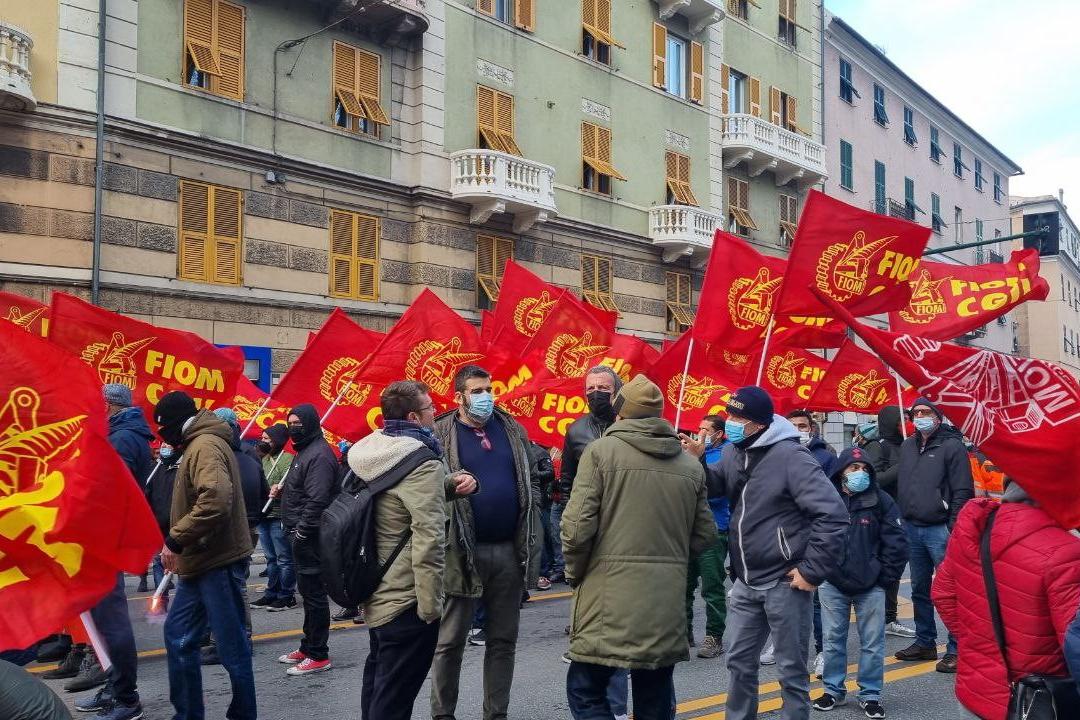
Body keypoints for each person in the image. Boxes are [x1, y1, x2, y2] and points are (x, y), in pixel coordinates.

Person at [687, 386, 848, 720]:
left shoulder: (792, 457)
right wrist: (698, 460)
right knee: (739, 663)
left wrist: (812, 571)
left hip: (784, 580)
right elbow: (716, 486)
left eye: (737, 417)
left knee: (791, 669)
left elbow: (833, 515)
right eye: (729, 414)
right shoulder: (734, 451)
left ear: (759, 424)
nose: (730, 422)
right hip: (746, 579)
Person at [562, 375, 716, 719]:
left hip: (606, 595)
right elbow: (705, 534)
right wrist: (672, 557)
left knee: (585, 688)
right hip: (664, 598)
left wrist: (576, 572)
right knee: (654, 694)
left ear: (620, 413)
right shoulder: (689, 465)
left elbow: (576, 528)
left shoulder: (600, 452)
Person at [350, 381, 477, 720]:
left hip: (376, 586)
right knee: (394, 699)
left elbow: (394, 502)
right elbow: (428, 539)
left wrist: (446, 486)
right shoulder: (420, 461)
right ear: (413, 417)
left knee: (379, 684)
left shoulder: (374, 450)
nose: (435, 412)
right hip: (407, 597)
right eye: (429, 408)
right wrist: (430, 607)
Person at [430, 365, 541, 720]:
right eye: (477, 391)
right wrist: (450, 486)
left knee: (503, 641)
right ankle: (443, 714)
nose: (486, 397)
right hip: (461, 550)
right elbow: (426, 489)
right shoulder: (439, 432)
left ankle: (496, 714)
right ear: (458, 397)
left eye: (489, 389)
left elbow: (529, 480)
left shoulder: (511, 428)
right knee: (450, 642)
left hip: (508, 550)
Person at [933, 481, 1080, 719]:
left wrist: (980, 644)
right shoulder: (1065, 551)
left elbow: (943, 594)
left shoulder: (974, 528)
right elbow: (1074, 641)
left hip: (975, 691)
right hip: (1038, 699)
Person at [154, 391, 257, 720]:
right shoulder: (197, 444)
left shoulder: (204, 445)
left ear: (175, 423)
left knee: (232, 648)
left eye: (163, 428)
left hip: (217, 561)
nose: (162, 437)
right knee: (178, 637)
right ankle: (187, 714)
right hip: (200, 561)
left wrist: (176, 539)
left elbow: (215, 499)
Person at [72, 384, 153, 718]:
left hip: (107, 540)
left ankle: (126, 699)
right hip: (107, 537)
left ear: (108, 406)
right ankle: (114, 688)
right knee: (104, 621)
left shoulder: (121, 440)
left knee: (112, 622)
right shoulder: (124, 435)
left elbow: (106, 492)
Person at [812, 448, 908, 719]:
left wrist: (884, 578)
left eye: (865, 469)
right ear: (841, 471)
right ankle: (833, 690)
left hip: (871, 585)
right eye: (854, 468)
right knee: (832, 640)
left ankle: (870, 694)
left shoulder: (881, 500)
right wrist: (820, 570)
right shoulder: (826, 498)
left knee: (873, 643)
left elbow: (897, 542)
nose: (860, 474)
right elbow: (813, 535)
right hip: (832, 583)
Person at [893, 398, 973, 674]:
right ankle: (925, 642)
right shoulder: (907, 446)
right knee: (919, 589)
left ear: (938, 416)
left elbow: (962, 490)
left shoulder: (952, 446)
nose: (921, 416)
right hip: (913, 527)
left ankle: (957, 648)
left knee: (951, 590)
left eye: (926, 412)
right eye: (916, 413)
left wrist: (954, 525)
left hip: (940, 528)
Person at [274, 404, 341, 675]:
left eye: (298, 423)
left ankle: (318, 654)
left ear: (311, 424)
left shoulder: (319, 454)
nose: (293, 428)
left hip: (310, 537)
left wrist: (302, 532)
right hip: (300, 534)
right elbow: (302, 490)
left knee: (314, 595)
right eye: (290, 423)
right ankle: (308, 645)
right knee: (308, 592)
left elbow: (318, 499)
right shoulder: (305, 451)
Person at [553, 366, 623, 584]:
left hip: (624, 518)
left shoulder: (630, 425)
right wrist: (570, 523)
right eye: (590, 388)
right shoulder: (576, 430)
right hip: (589, 521)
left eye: (603, 388)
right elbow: (568, 481)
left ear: (617, 391)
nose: (596, 393)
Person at [784, 409, 839, 676]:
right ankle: (782, 646)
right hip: (787, 537)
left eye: (802, 425)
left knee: (816, 599)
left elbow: (831, 503)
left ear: (811, 429)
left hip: (814, 537)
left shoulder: (826, 458)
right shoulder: (777, 456)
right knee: (783, 596)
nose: (798, 430)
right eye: (792, 425)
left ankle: (821, 650)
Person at [862, 406, 916, 640]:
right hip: (882, 516)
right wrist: (902, 464)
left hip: (906, 515)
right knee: (879, 566)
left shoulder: (910, 445)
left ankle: (890, 618)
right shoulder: (878, 446)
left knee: (895, 567)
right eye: (902, 419)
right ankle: (875, 617)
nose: (906, 423)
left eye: (908, 418)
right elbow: (874, 480)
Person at [684, 414, 730, 659]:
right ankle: (683, 633)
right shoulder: (686, 453)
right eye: (698, 428)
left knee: (712, 587)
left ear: (719, 434)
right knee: (683, 585)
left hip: (714, 529)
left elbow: (714, 491)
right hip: (686, 529)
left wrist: (698, 458)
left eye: (706, 430)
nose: (699, 434)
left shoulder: (726, 455)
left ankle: (714, 636)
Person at [250, 423, 296, 611]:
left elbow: (292, 485)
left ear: (277, 440)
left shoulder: (287, 460)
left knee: (283, 558)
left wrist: (281, 489)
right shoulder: (262, 458)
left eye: (267, 439)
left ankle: (286, 595)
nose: (263, 441)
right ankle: (272, 592)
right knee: (270, 558)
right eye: (262, 438)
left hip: (278, 515)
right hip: (263, 514)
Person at [144, 442, 181, 615]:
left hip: (178, 528)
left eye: (168, 445)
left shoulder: (182, 469)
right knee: (159, 563)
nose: (165, 448)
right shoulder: (155, 470)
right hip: (158, 527)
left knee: (182, 566)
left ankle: (183, 605)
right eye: (163, 445)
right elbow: (147, 496)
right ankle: (161, 602)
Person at [531, 442, 557, 591]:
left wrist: (532, 474)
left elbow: (550, 473)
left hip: (540, 501)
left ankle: (544, 572)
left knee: (544, 536)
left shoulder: (539, 452)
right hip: (522, 500)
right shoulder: (513, 450)